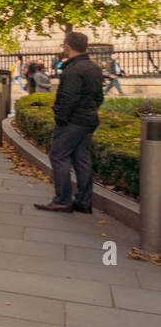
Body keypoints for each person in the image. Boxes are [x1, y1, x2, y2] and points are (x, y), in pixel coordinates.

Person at [36, 32, 104, 213]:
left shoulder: (72, 70)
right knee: (82, 159)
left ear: (67, 47)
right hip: (89, 119)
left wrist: (60, 117)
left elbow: (68, 98)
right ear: (86, 47)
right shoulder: (94, 68)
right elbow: (99, 97)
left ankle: (63, 199)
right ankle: (83, 200)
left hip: (73, 121)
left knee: (59, 156)